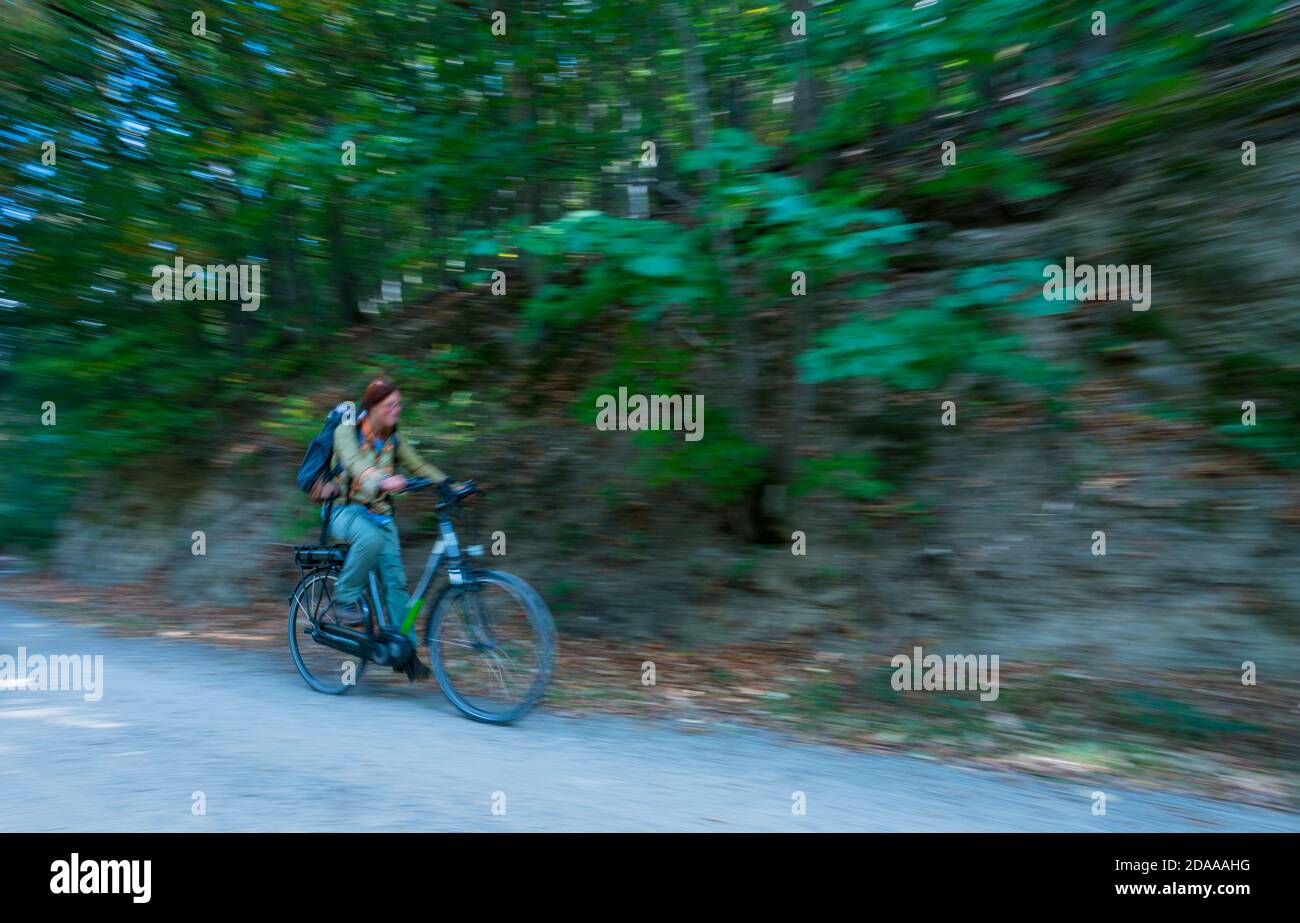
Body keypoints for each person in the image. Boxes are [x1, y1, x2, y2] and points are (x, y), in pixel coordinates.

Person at [327, 378, 449, 680]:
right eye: (390, 405)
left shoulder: (394, 436)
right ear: (371, 407)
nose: (397, 410)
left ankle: (404, 653)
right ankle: (344, 597)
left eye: (399, 404)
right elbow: (355, 464)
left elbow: (418, 466)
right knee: (367, 539)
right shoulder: (348, 430)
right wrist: (380, 481)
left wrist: (450, 486)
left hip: (380, 515)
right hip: (343, 510)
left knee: (396, 585)